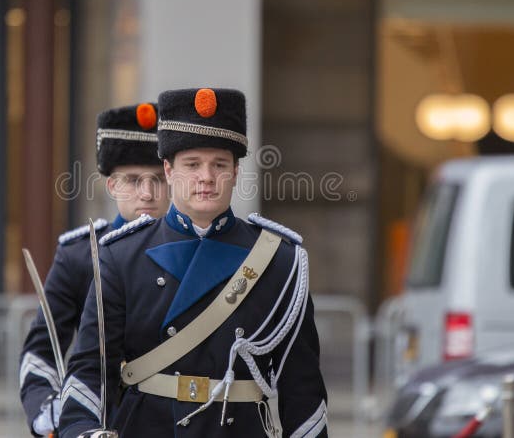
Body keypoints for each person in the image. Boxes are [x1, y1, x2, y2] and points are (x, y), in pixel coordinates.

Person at [58, 88, 327, 437]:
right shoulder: (120, 258)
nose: (206, 177)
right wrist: (84, 430)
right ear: (168, 170)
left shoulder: (280, 260)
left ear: (235, 171)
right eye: (192, 164)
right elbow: (91, 369)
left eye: (219, 164)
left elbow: (302, 389)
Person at [19, 102, 170, 437]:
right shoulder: (78, 255)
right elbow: (41, 350)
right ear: (111, 185)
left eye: (158, 179)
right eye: (133, 180)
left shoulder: (194, 251)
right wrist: (48, 410)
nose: (147, 193)